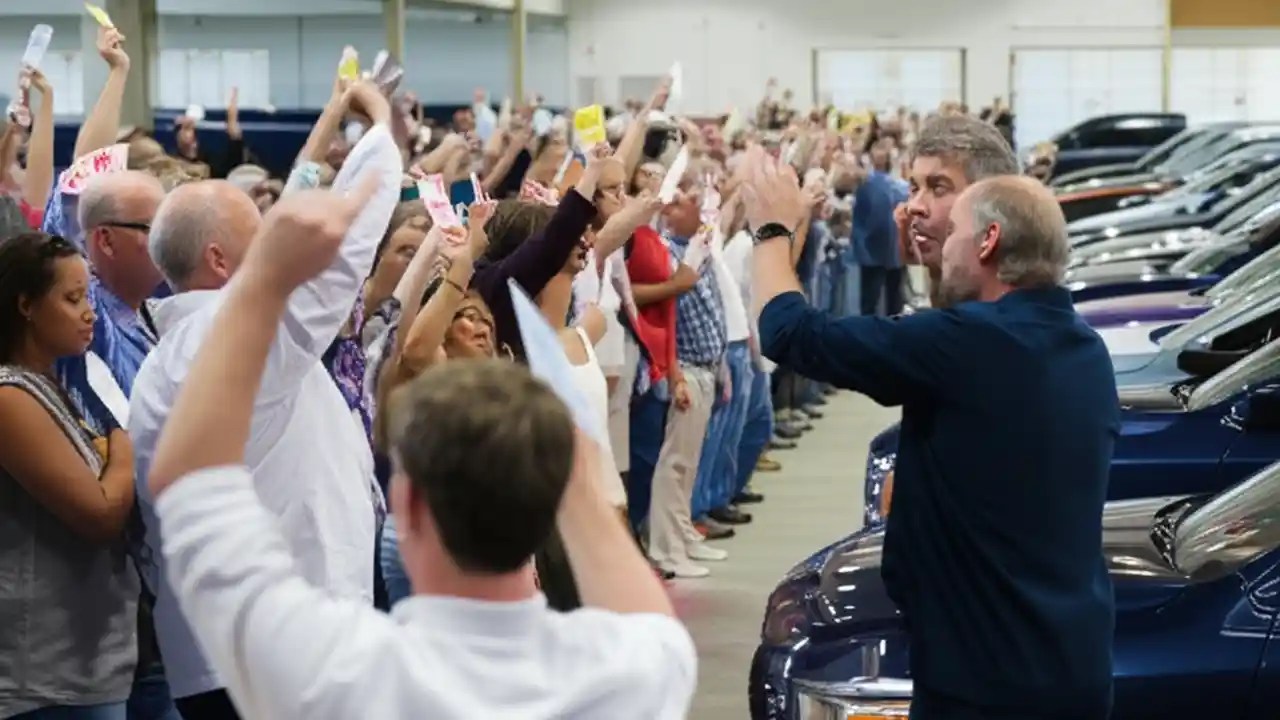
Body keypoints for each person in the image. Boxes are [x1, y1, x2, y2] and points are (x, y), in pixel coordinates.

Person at [140, 178, 697, 719]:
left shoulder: (339, 670)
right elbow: (644, 609)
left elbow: (191, 484)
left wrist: (262, 281)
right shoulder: (632, 669)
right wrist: (574, 481)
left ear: (405, 509)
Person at [749, 142, 1118, 719]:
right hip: (1072, 668)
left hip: (983, 683)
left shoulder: (966, 346)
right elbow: (956, 340)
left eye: (954, 238)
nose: (940, 246)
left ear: (990, 241)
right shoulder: (1082, 349)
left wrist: (771, 229)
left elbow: (792, 334)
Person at [127, 81, 400, 720]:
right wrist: (380, 127)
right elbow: (345, 249)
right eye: (264, 237)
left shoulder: (186, 346)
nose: (281, 246)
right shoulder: (233, 331)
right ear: (221, 261)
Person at [0, 232, 139, 720]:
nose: (89, 314)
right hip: (43, 672)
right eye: (72, 299)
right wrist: (124, 443)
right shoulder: (10, 396)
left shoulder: (56, 384)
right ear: (26, 306)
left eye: (90, 298)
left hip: (90, 658)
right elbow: (100, 514)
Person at [853, 145, 906, 316]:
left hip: (871, 252)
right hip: (895, 251)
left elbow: (861, 218)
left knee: (869, 303)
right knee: (894, 301)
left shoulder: (866, 186)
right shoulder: (900, 187)